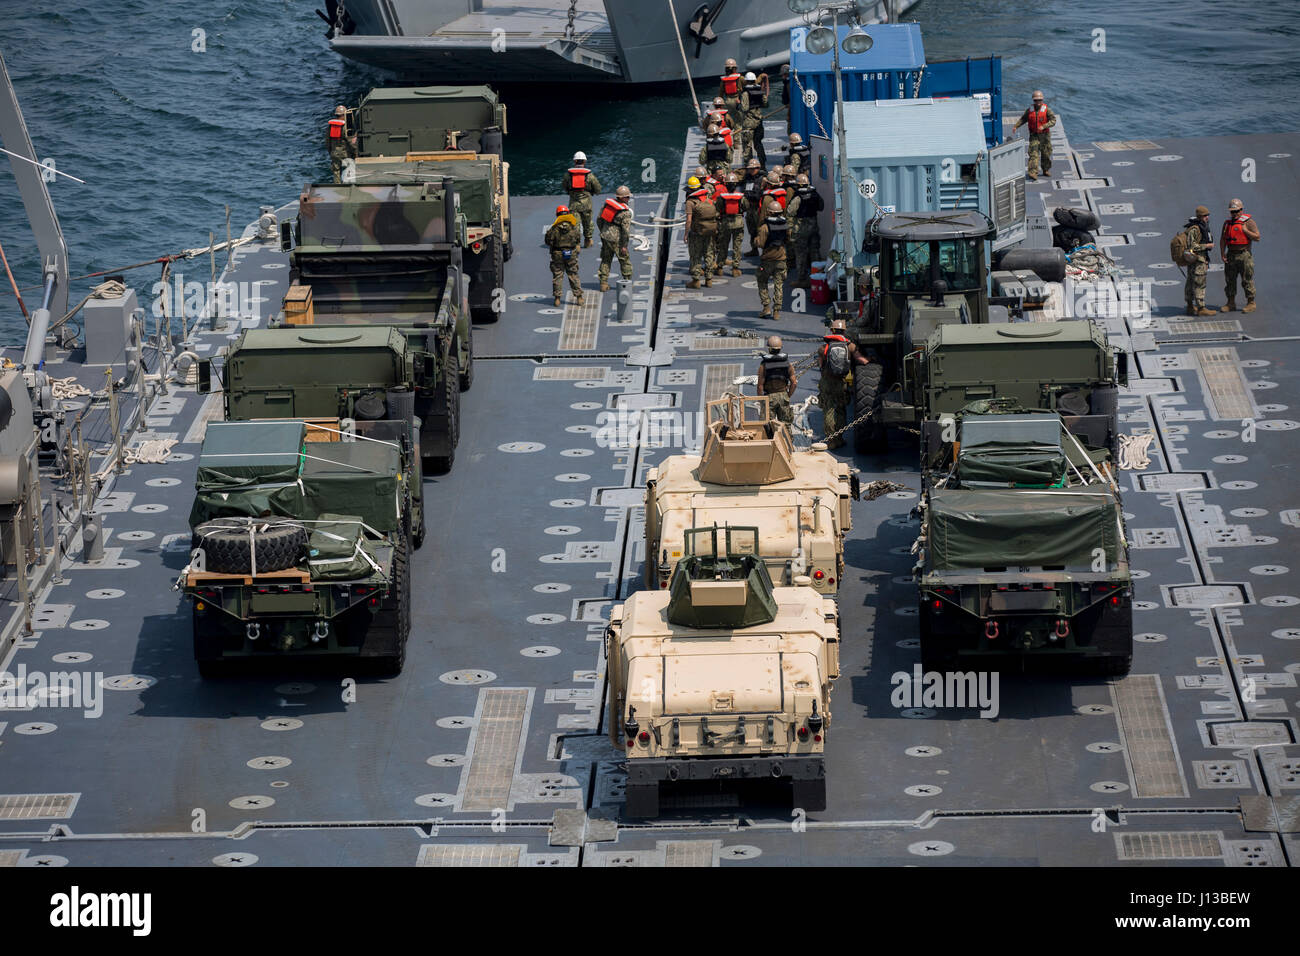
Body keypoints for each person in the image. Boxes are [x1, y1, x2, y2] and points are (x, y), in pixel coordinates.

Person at [817, 318, 868, 449]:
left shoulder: (824, 348)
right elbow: (861, 360)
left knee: (828, 409)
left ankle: (831, 440)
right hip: (841, 383)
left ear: (832, 330)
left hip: (827, 382)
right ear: (844, 331)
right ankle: (839, 438)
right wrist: (870, 360)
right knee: (840, 409)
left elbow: (820, 365)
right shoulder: (850, 346)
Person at [1219, 198, 1260, 313]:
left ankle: (1251, 302)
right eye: (1232, 211)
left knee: (1247, 279)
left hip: (1244, 255)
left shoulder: (1248, 222)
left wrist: (1245, 230)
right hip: (1231, 255)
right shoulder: (1227, 223)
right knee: (1230, 279)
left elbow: (1257, 237)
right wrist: (1222, 253)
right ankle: (1230, 303)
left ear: (1241, 210)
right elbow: (1222, 239)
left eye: (1237, 211)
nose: (1235, 214)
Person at [1012, 90, 1057, 181]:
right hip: (1034, 136)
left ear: (1042, 100)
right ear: (1033, 101)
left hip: (1045, 136)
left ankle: (1045, 169)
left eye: (1039, 100)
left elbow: (1053, 120)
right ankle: (1032, 172)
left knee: (1046, 154)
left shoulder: (1047, 110)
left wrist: (1044, 126)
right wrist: (1016, 126)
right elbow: (1023, 119)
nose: (1038, 102)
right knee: (1033, 154)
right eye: (1036, 100)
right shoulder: (1030, 111)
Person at [544, 205, 584, 306]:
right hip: (571, 254)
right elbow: (578, 239)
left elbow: (548, 241)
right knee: (573, 274)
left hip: (557, 254)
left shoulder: (554, 228)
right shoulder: (573, 227)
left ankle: (557, 299)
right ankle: (579, 297)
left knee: (558, 275)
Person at [755, 198, 788, 320]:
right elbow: (788, 239)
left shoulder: (765, 227)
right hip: (781, 259)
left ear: (769, 212)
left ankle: (766, 307)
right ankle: (777, 311)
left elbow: (760, 243)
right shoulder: (785, 224)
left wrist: (755, 240)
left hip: (767, 260)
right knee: (778, 285)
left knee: (762, 281)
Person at [597, 186, 634, 292]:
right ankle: (627, 282)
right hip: (617, 239)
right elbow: (625, 231)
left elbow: (599, 219)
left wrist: (603, 231)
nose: (628, 199)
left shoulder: (607, 205)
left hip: (605, 236)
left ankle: (603, 284)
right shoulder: (625, 213)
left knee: (605, 259)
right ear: (623, 198)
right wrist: (624, 246)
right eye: (627, 197)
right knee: (624, 260)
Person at [790, 173, 824, 288]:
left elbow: (790, 212)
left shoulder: (798, 196)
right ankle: (817, 277)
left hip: (801, 227)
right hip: (814, 225)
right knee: (815, 251)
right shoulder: (815, 194)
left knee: (801, 254)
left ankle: (801, 279)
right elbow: (821, 206)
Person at [684, 178, 718, 288]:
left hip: (696, 233)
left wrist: (685, 234)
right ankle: (709, 279)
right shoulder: (707, 198)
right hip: (709, 231)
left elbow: (689, 220)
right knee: (709, 254)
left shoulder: (690, 202)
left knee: (695, 256)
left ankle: (696, 280)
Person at [1183, 205, 1215, 317]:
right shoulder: (1196, 229)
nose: (1207, 217)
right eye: (1205, 216)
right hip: (1197, 259)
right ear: (1200, 216)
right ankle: (1201, 307)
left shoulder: (1198, 227)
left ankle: (1190, 306)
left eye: (1207, 215)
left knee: (1191, 282)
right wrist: (1206, 246)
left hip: (1194, 259)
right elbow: (1192, 246)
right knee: (1199, 283)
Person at [564, 152, 602, 248]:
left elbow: (564, 186)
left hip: (573, 203)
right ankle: (588, 240)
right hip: (587, 204)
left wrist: (571, 192)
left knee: (574, 223)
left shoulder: (568, 175)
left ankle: (576, 244)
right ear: (584, 161)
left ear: (575, 161)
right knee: (588, 222)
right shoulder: (590, 176)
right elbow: (598, 189)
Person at [757, 335, 797, 425]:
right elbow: (794, 383)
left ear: (769, 349)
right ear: (780, 348)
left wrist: (761, 401)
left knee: (767, 426)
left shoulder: (764, 365)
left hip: (769, 398)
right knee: (786, 426)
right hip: (783, 396)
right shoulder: (788, 364)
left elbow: (760, 386)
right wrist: (788, 395)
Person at [715, 173, 745, 278]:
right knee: (737, 246)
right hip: (738, 223)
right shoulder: (741, 196)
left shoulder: (721, 197)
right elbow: (745, 206)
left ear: (726, 184)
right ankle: (735, 269)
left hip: (725, 223)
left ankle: (719, 267)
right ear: (736, 184)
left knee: (723, 246)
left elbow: (718, 209)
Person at [739, 72, 768, 166]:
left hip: (748, 123)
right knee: (758, 143)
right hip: (758, 122)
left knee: (747, 145)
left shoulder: (745, 93)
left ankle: (749, 166)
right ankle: (763, 163)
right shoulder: (760, 91)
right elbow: (765, 103)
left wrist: (738, 105)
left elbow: (744, 108)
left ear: (746, 81)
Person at [741, 158, 766, 256]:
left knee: (760, 229)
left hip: (758, 208)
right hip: (750, 208)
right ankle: (754, 249)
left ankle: (764, 251)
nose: (751, 170)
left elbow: (761, 194)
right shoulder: (747, 178)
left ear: (758, 168)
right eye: (750, 169)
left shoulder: (763, 179)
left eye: (753, 168)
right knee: (751, 229)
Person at [327, 105, 356, 184]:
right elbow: (351, 142)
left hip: (334, 154)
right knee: (349, 169)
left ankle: (338, 188)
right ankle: (348, 187)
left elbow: (327, 141)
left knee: (336, 172)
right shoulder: (345, 127)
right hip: (345, 154)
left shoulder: (330, 127)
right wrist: (355, 152)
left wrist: (330, 152)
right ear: (344, 115)